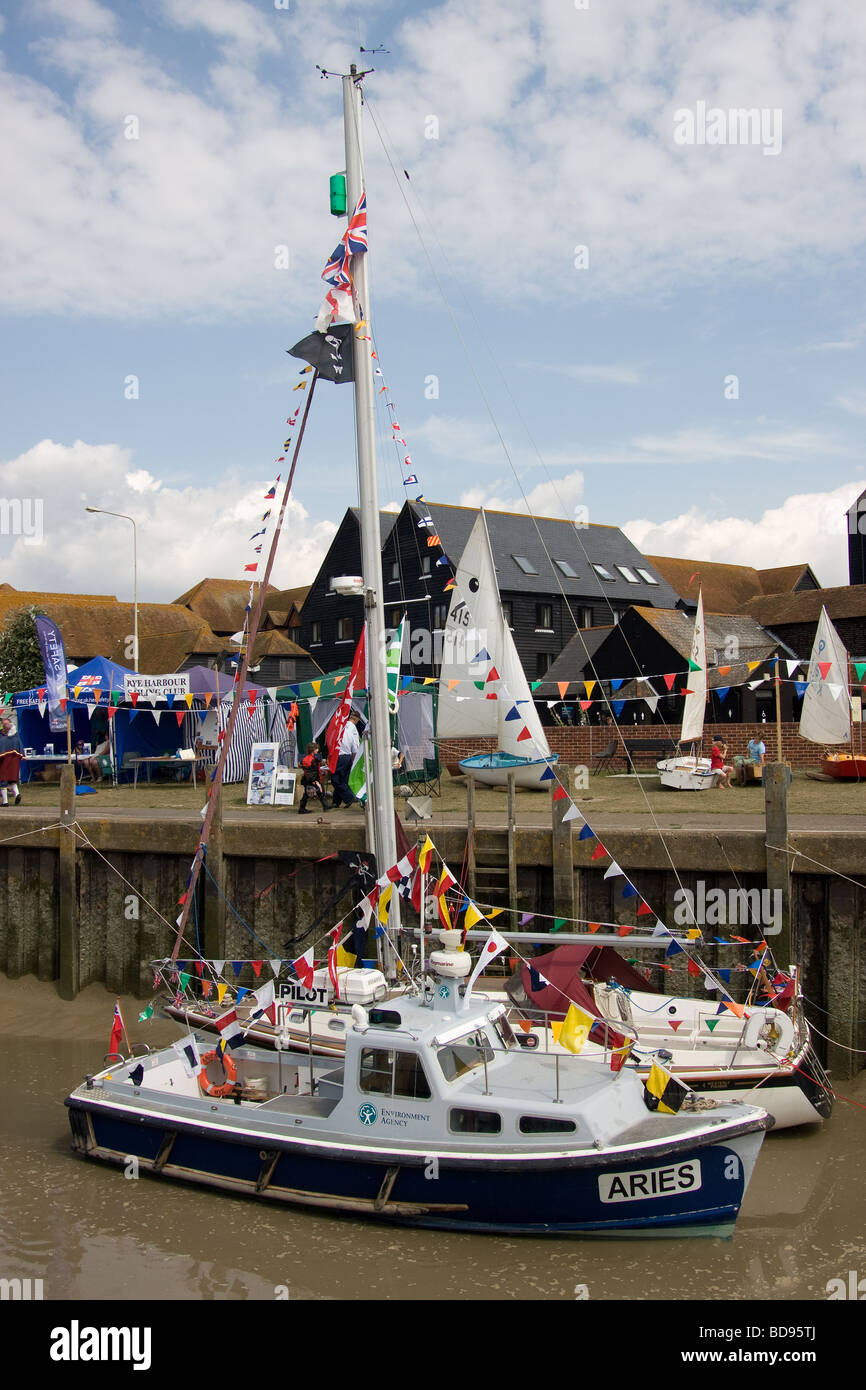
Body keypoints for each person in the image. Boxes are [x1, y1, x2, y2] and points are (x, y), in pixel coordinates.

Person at [330, 709, 361, 807]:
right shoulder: (353, 729)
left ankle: (349, 797)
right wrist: (354, 760)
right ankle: (337, 801)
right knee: (342, 780)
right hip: (346, 756)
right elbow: (355, 747)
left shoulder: (341, 725)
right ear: (357, 720)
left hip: (339, 756)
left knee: (335, 780)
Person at [298, 742, 328, 815]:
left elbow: (304, 767)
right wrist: (314, 780)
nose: (317, 750)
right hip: (312, 779)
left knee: (310, 793)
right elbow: (310, 771)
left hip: (309, 779)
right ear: (312, 750)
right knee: (319, 791)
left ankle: (325, 806)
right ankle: (325, 806)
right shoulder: (310, 759)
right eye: (316, 748)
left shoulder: (308, 758)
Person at [0, 717, 23, 805]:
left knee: (4, 780)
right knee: (11, 780)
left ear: (9, 724)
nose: (4, 725)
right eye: (3, 724)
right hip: (11, 760)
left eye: (5, 724)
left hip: (6, 760)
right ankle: (17, 794)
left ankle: (5, 802)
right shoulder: (6, 735)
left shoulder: (12, 736)